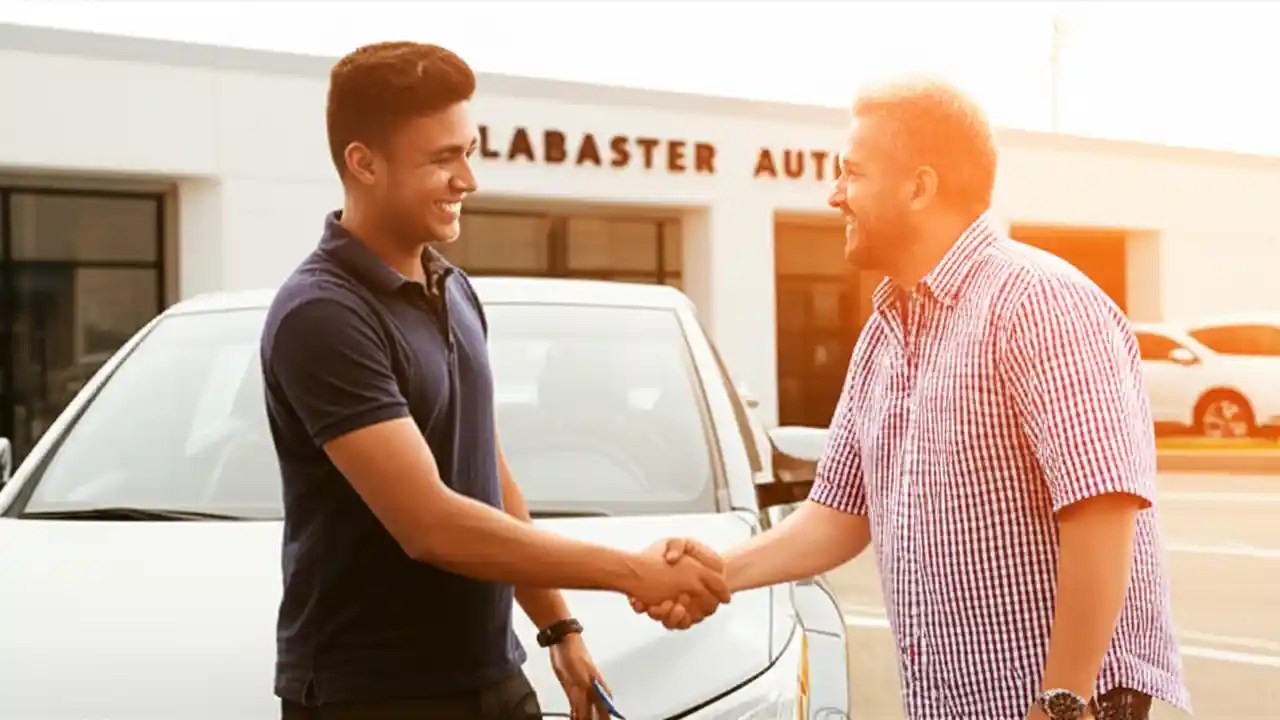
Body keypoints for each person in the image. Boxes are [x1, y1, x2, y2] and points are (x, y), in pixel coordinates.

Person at [635, 77, 1192, 720]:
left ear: (920, 187)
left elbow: (1101, 508)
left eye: (852, 173)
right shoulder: (885, 332)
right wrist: (715, 574)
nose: (834, 194)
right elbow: (839, 515)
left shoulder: (1038, 302)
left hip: (1062, 702)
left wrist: (1060, 702)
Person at [260, 41, 729, 720]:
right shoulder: (322, 314)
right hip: (373, 695)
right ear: (363, 163)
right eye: (442, 159)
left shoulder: (451, 288)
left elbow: (487, 473)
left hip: (491, 676)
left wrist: (559, 627)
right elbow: (430, 524)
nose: (468, 179)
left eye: (468, 151)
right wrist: (634, 571)